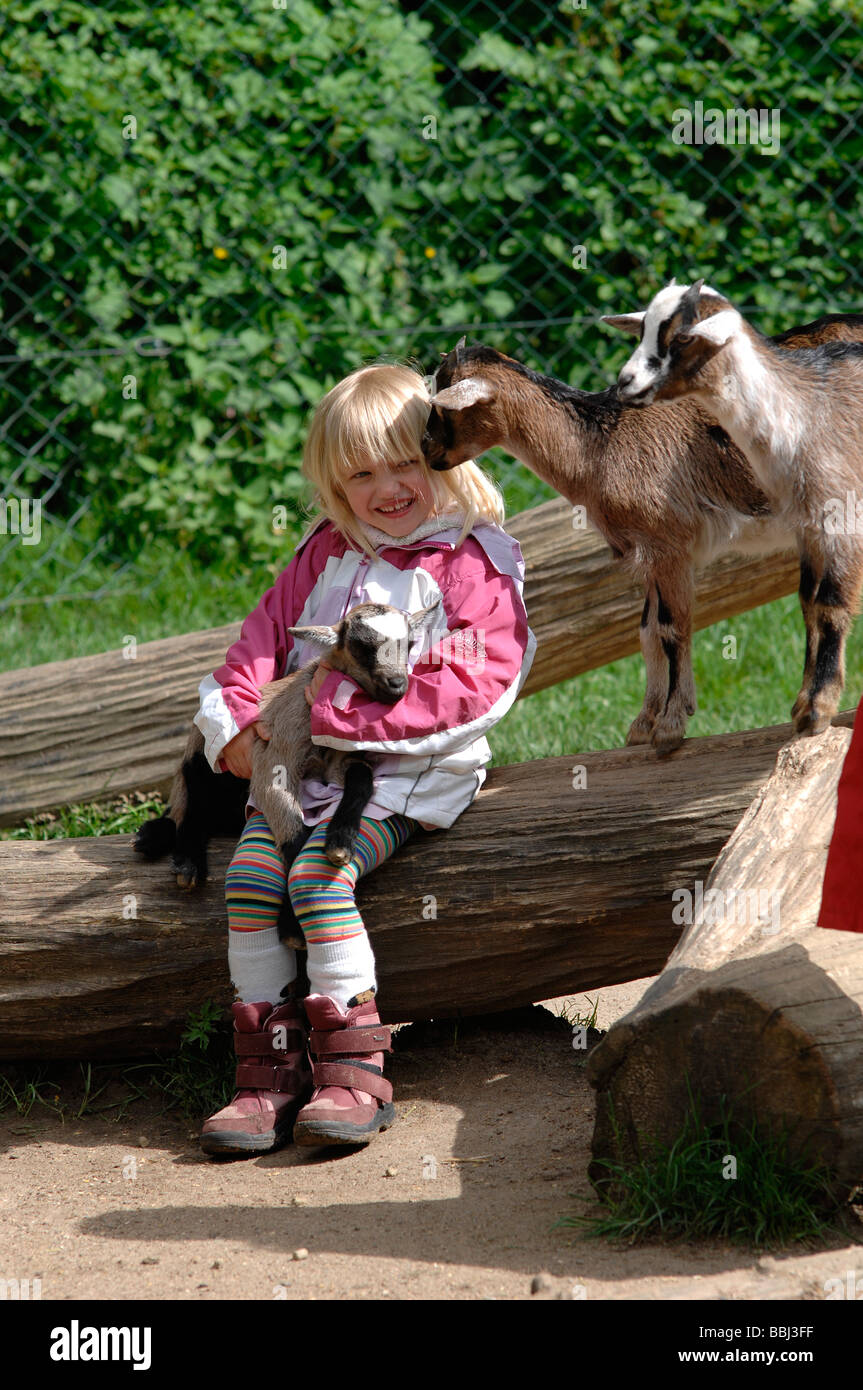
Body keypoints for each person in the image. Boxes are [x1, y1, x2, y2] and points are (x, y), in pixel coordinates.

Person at [195, 361, 536, 1155]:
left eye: (406, 463)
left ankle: (352, 1064)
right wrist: (242, 732)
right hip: (296, 778)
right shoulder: (324, 555)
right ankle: (264, 1072)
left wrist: (322, 715)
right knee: (248, 880)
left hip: (405, 774)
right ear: (331, 483)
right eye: (361, 472)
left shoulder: (471, 560)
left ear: (443, 457)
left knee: (316, 879)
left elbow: (477, 678)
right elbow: (253, 651)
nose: (388, 487)